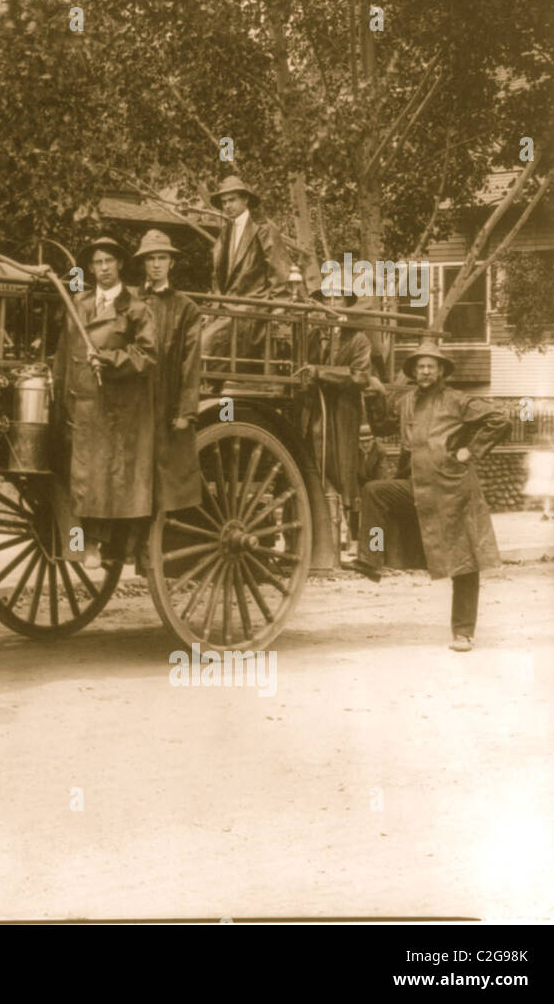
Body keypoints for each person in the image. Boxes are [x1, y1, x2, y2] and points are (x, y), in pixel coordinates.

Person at [347, 338, 510, 652]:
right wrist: (377, 395)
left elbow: (499, 420)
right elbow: (381, 427)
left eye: (430, 366)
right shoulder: (407, 401)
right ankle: (372, 557)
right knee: (375, 492)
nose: (424, 371)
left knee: (464, 560)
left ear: (440, 371)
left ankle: (463, 633)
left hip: (453, 490)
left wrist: (470, 451)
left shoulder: (457, 400)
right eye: (419, 366)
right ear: (414, 371)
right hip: (417, 486)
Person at [53, 235, 157, 569]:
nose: (102, 269)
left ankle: (103, 544)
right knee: (73, 475)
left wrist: (112, 359)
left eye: (108, 262)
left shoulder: (136, 307)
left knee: (103, 479)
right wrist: (58, 396)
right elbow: (64, 355)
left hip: (116, 406)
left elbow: (147, 355)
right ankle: (77, 542)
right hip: (79, 402)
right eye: (97, 263)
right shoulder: (78, 303)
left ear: (120, 264)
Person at [128, 230, 203, 527]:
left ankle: (153, 543)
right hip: (132, 394)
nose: (156, 264)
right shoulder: (130, 300)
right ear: (144, 264)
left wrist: (186, 409)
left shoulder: (186, 308)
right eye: (150, 259)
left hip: (165, 396)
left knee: (161, 472)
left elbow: (191, 361)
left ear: (171, 263)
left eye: (162, 258)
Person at [200, 175, 310, 371]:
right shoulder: (226, 232)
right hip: (225, 310)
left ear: (246, 200)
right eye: (224, 202)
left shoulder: (263, 229)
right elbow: (218, 279)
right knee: (187, 341)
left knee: (203, 348)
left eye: (232, 200)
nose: (227, 206)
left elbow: (281, 272)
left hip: (252, 310)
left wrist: (277, 312)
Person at [299, 291, 372, 518]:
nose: (330, 304)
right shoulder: (310, 335)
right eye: (326, 299)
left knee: (340, 471)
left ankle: (343, 530)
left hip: (341, 412)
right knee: (312, 466)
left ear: (347, 304)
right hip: (311, 411)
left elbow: (360, 377)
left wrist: (322, 373)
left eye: (337, 299)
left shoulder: (358, 339)